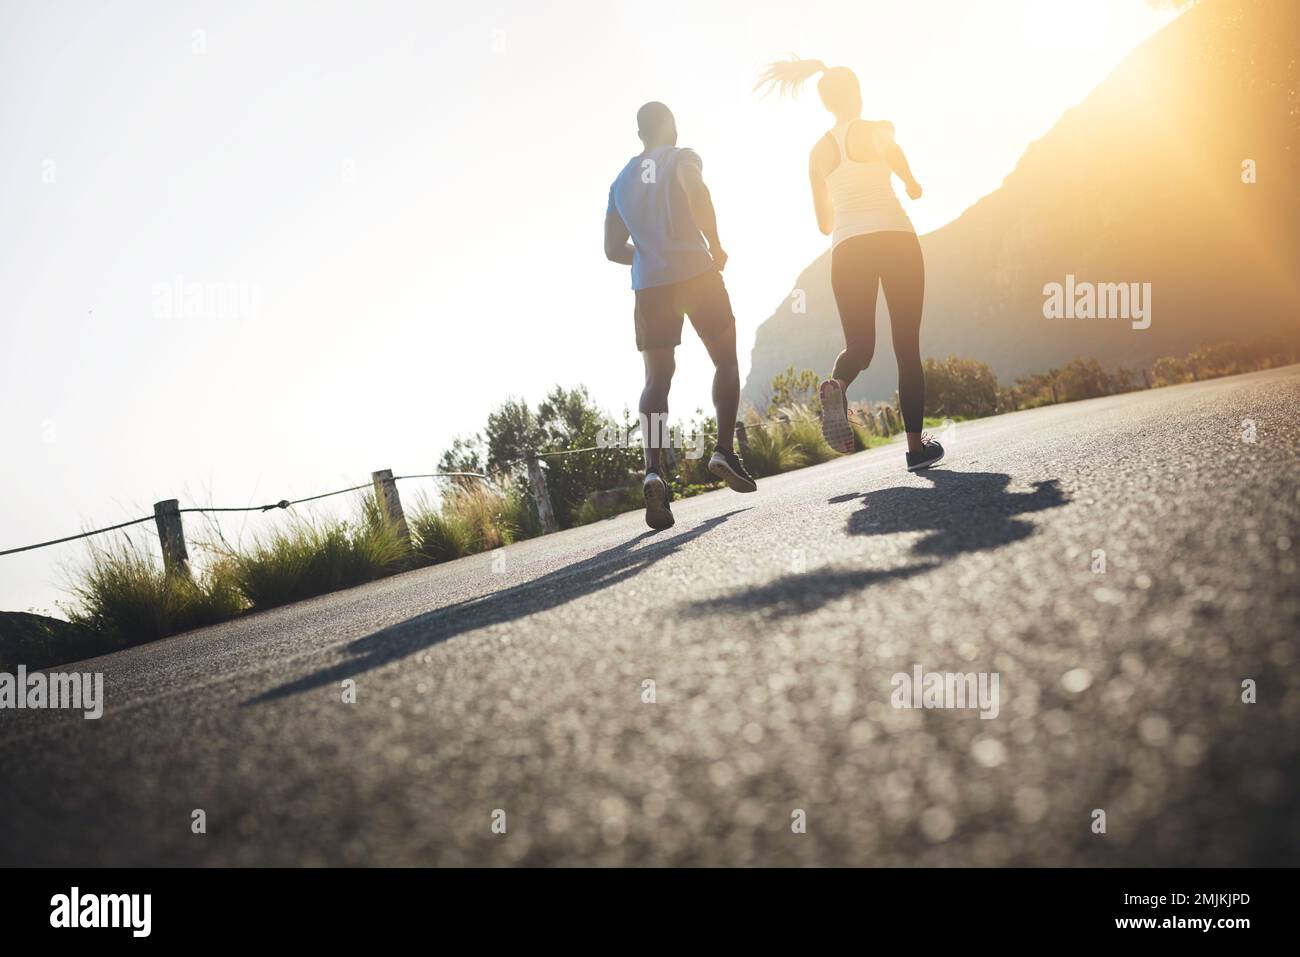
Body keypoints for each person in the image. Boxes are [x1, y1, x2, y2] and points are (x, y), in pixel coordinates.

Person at [755, 58, 944, 471]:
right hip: (895, 237)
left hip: (848, 248)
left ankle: (837, 385)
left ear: (826, 103)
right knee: (906, 346)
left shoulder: (817, 152)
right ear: (857, 94)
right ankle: (915, 448)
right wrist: (911, 184)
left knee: (860, 345)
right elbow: (909, 181)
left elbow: (824, 224)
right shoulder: (875, 131)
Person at [605, 101, 758, 530]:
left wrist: (650, 255)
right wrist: (715, 241)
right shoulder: (681, 157)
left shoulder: (619, 181)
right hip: (696, 274)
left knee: (656, 379)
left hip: (650, 286)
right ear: (670, 126)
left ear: (639, 135)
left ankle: (654, 470)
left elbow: (612, 250)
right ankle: (723, 451)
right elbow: (698, 192)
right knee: (725, 361)